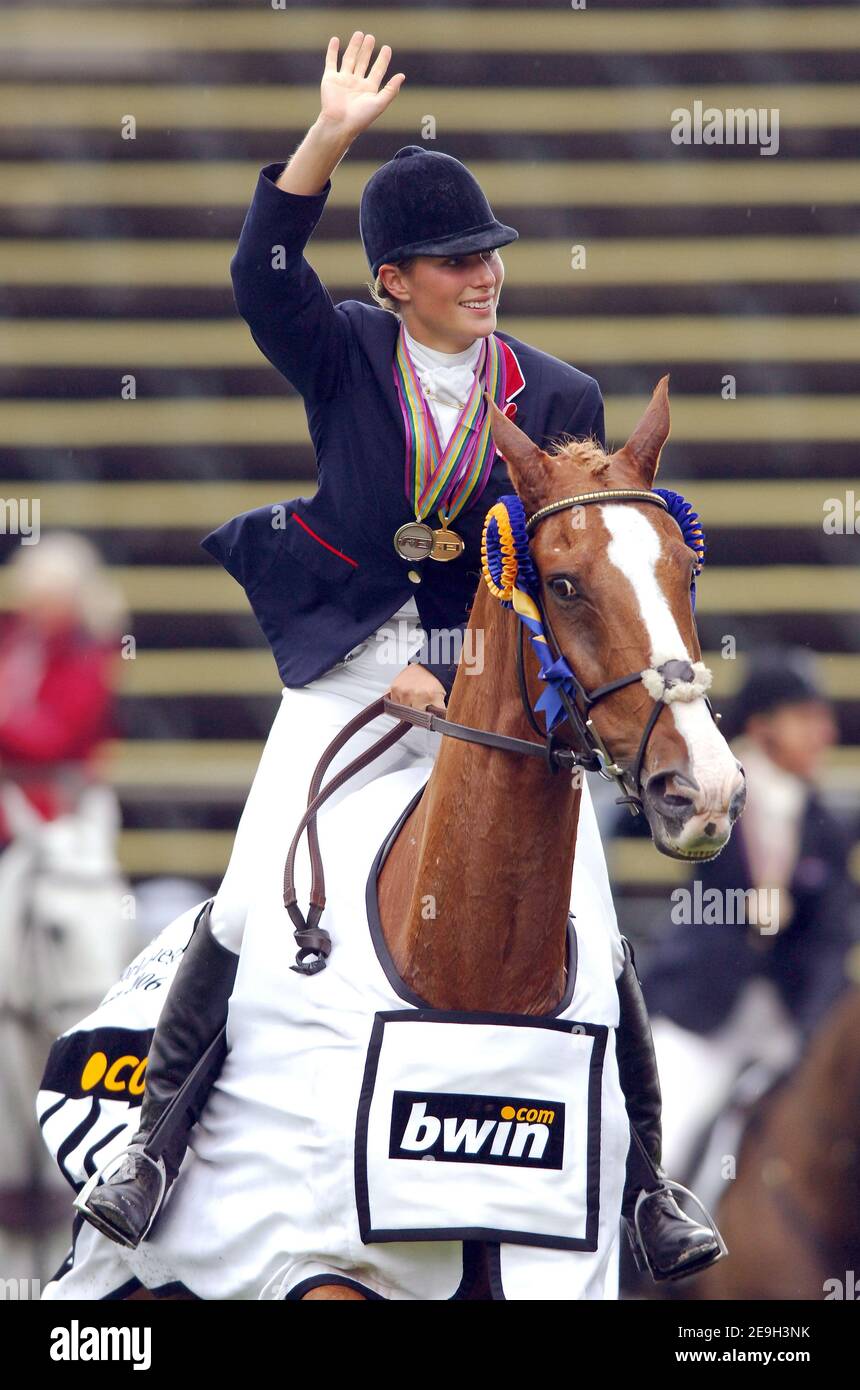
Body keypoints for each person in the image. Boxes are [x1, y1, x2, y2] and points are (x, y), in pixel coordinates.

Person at [80, 30, 720, 1280]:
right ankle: (155, 1144)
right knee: (257, 885)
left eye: (490, 257)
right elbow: (263, 272)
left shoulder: (561, 394)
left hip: (498, 673)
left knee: (588, 913)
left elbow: (568, 556)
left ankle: (645, 1181)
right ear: (392, 279)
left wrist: (494, 666)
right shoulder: (344, 357)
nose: (484, 276)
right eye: (456, 261)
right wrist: (325, 136)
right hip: (353, 660)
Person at [643, 651, 857, 1173]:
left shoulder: (824, 824)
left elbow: (832, 938)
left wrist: (812, 1032)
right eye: (805, 718)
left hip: (785, 1024)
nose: (823, 734)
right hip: (703, 1014)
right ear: (762, 727)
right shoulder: (712, 795)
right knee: (662, 1144)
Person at [0, 533, 123, 846]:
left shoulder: (89, 658)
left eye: (47, 599)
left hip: (56, 816)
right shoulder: (15, 639)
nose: (35, 609)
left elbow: (52, 742)